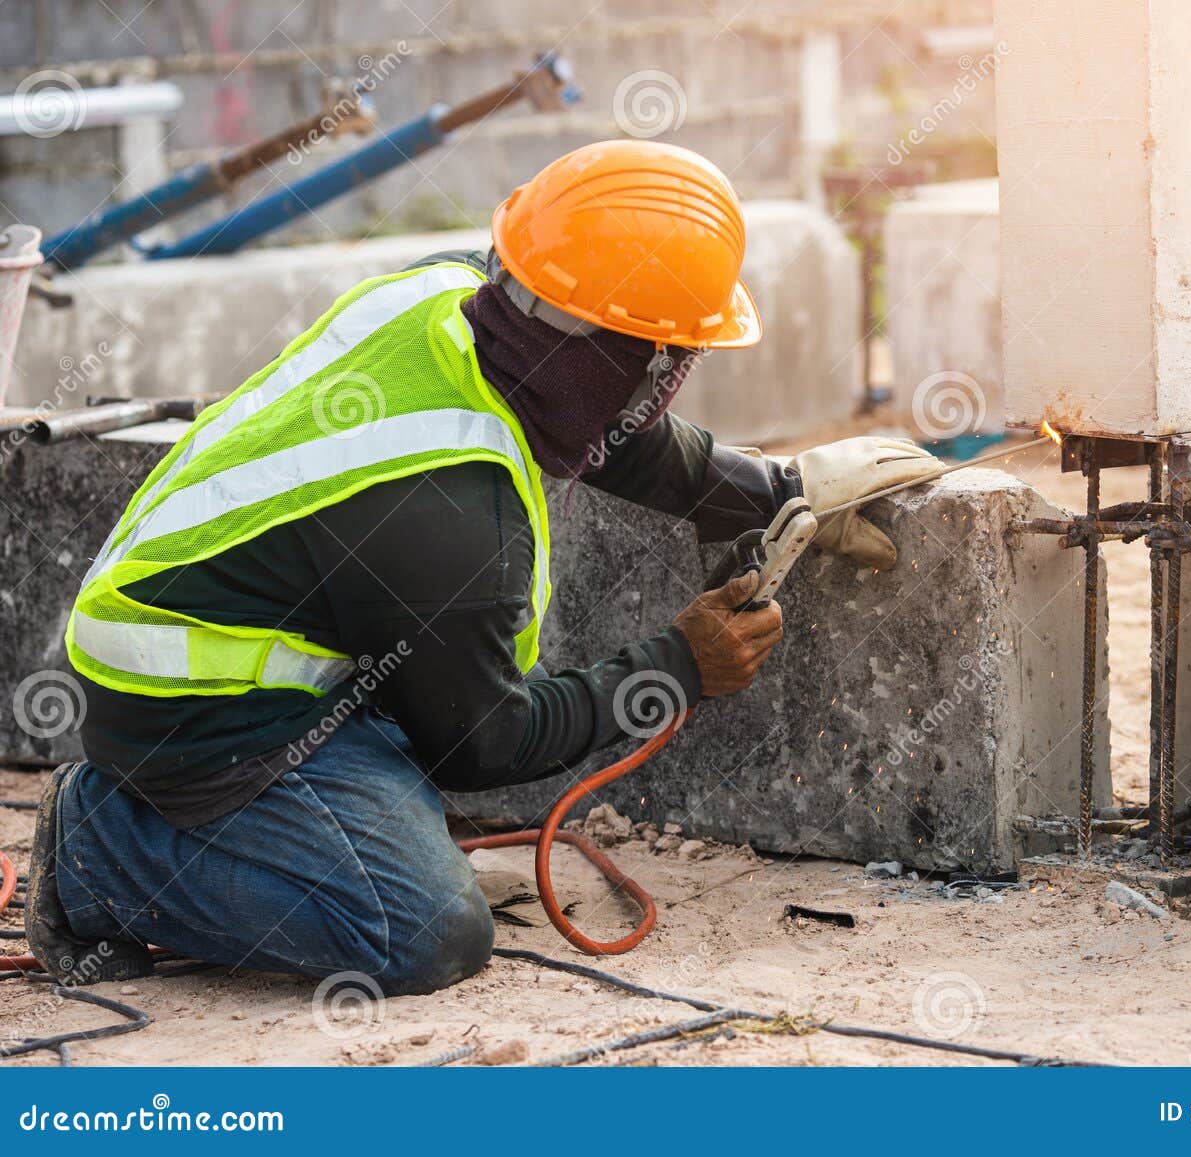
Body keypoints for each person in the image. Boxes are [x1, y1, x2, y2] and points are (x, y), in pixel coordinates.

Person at [26, 140, 941, 994]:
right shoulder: (453, 516)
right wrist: (678, 666)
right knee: (424, 930)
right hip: (199, 722)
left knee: (411, 775)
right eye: (671, 354)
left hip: (207, 642)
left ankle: (308, 802)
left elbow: (600, 424)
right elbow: (483, 746)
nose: (677, 375)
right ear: (634, 362)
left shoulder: (457, 304)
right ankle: (100, 849)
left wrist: (774, 490)